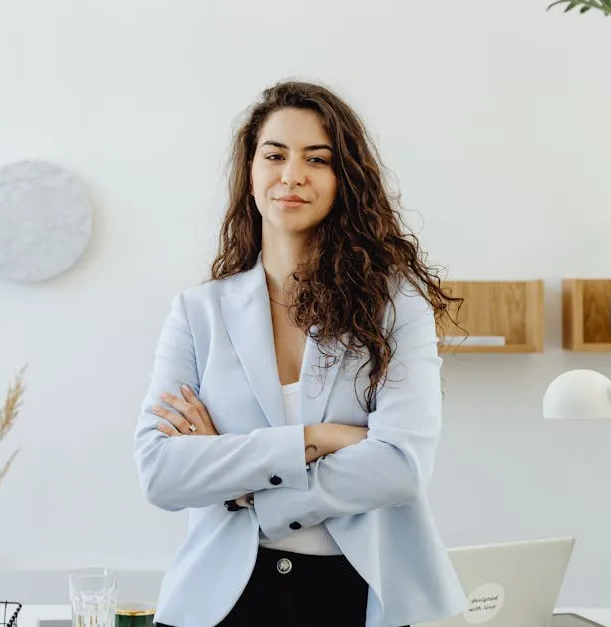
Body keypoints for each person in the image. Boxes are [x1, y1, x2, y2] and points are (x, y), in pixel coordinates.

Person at [133, 80, 467, 627]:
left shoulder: (393, 304)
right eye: (275, 155)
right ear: (250, 172)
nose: (292, 175)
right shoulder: (198, 313)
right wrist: (316, 440)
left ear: (344, 180)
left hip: (355, 592)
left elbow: (400, 468)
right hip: (220, 598)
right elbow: (161, 473)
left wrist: (245, 491)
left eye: (317, 158)